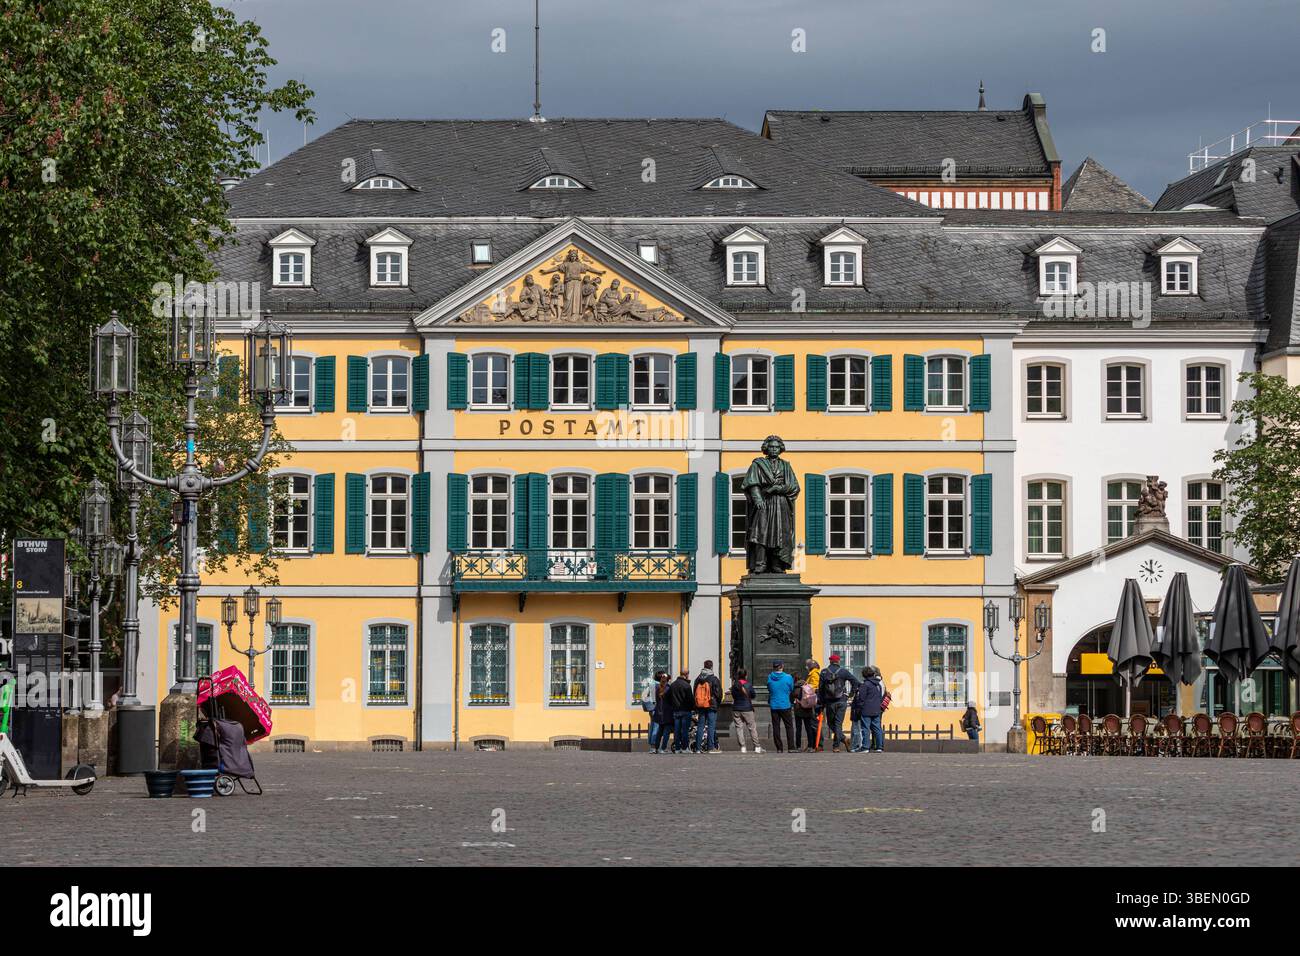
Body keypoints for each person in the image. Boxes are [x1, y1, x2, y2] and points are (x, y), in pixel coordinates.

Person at [817, 653, 859, 753]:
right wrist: (851, 694)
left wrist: (821, 703)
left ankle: (838, 744)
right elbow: (855, 681)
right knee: (838, 724)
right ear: (838, 661)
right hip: (842, 700)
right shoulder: (843, 671)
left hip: (829, 702)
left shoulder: (824, 672)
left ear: (830, 661)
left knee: (831, 724)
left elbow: (821, 689)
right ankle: (841, 742)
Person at [852, 666, 886, 753]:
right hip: (877, 709)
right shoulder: (878, 684)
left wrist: (859, 706)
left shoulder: (865, 684)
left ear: (864, 675)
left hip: (866, 709)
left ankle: (865, 747)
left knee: (865, 728)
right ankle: (879, 747)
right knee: (877, 728)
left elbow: (861, 698)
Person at [691, 660, 723, 753]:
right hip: (711, 705)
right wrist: (717, 703)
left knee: (700, 726)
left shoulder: (698, 679)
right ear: (711, 667)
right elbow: (718, 693)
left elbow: (694, 692)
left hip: (700, 705)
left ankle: (697, 748)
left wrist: (697, 703)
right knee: (711, 726)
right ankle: (710, 747)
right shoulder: (714, 679)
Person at [766, 660, 796, 753]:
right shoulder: (788, 677)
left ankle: (779, 748)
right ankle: (791, 747)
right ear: (782, 666)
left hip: (774, 705)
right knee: (789, 727)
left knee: (776, 727)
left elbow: (769, 688)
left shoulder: (770, 677)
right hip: (785, 704)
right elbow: (791, 689)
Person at [730, 668, 762, 753]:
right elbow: (753, 695)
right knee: (752, 728)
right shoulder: (748, 685)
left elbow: (733, 696)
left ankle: (743, 747)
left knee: (739, 728)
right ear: (746, 675)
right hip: (747, 708)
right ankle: (757, 747)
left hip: (736, 708)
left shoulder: (734, 685)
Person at [667, 669, 695, 754]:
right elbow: (690, 699)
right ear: (687, 674)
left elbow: (668, 698)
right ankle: (684, 747)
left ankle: (677, 748)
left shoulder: (673, 685)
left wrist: (673, 706)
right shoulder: (687, 685)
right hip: (685, 710)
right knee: (685, 730)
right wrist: (692, 708)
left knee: (677, 730)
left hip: (676, 711)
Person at [793, 671, 818, 751]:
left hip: (798, 710)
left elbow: (791, 698)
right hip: (808, 709)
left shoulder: (795, 687)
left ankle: (798, 747)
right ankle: (811, 746)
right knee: (809, 728)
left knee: (798, 729)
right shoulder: (807, 686)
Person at [650, 672, 673, 754]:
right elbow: (671, 701)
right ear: (667, 680)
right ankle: (662, 748)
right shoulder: (669, 689)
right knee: (666, 732)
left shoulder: (658, 688)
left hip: (659, 712)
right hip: (667, 712)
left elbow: (656, 700)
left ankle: (656, 747)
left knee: (660, 731)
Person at [641, 670, 663, 750]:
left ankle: (651, 745)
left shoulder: (651, 685)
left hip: (651, 708)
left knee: (652, 726)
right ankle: (654, 746)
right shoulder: (658, 686)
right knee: (656, 727)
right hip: (656, 708)